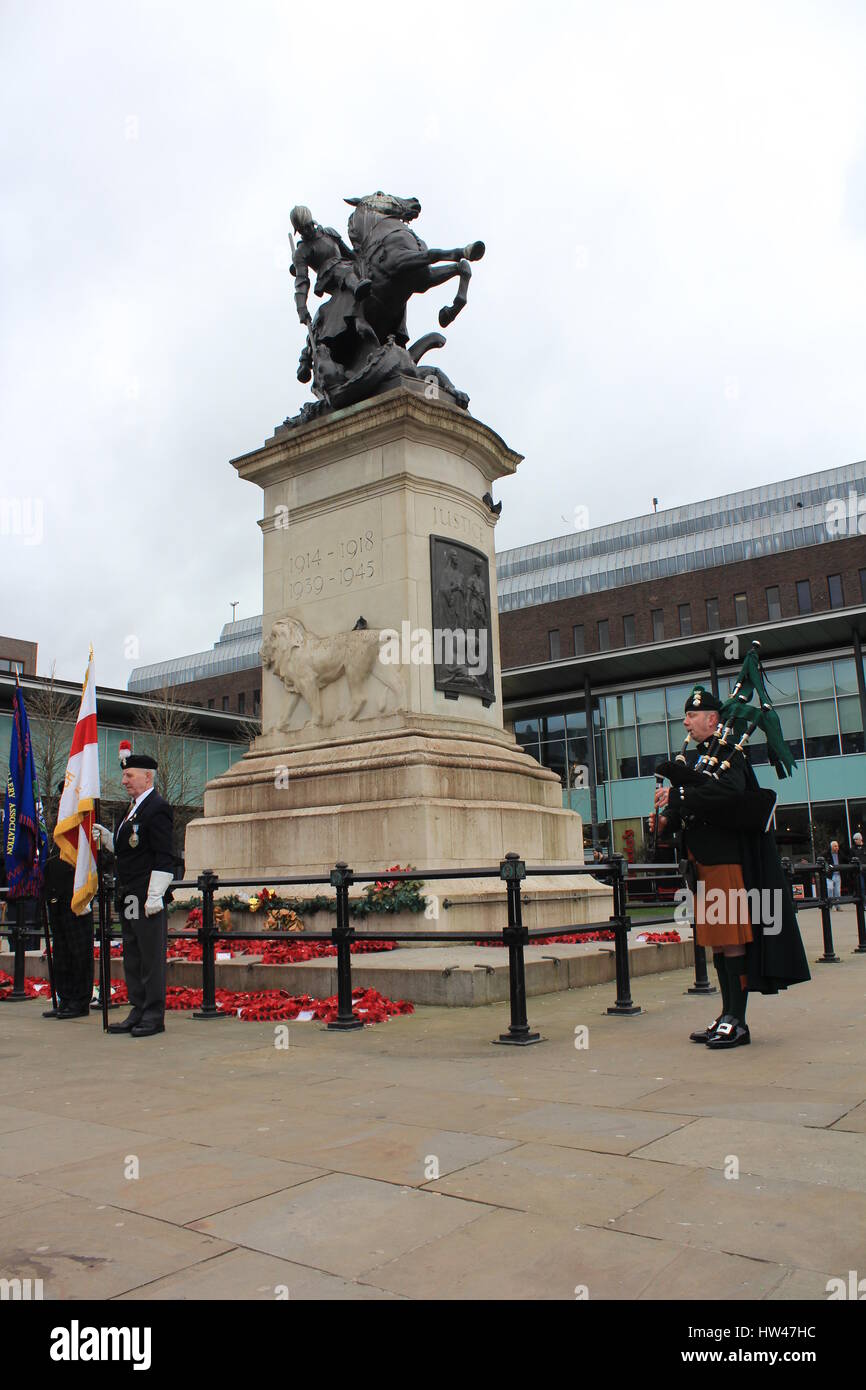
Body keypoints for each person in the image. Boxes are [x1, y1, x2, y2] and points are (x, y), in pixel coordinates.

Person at [652, 684, 810, 1050]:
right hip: (703, 861)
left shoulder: (731, 758)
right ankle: (726, 1015)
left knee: (732, 939)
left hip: (724, 859)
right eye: (686, 716)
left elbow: (726, 795)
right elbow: (695, 806)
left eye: (692, 716)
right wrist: (667, 821)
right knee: (719, 943)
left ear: (712, 719)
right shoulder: (701, 759)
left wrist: (679, 794)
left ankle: (737, 1021)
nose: (686, 722)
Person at [94, 742, 174, 1037]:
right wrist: (110, 841)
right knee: (133, 954)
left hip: (145, 894)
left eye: (130, 776)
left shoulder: (158, 808)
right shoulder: (132, 810)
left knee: (150, 955)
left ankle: (153, 1014)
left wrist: (156, 894)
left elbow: (165, 854)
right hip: (128, 893)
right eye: (125, 775)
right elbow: (132, 850)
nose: (124, 780)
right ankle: (138, 1009)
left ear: (147, 777)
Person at [42, 785, 94, 1019]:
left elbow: (94, 858)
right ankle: (65, 998)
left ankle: (79, 1000)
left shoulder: (85, 823)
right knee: (61, 951)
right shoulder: (63, 823)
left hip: (76, 895)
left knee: (78, 950)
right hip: (57, 894)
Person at [826, 840, 843, 910]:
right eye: (835, 846)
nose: (837, 848)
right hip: (830, 875)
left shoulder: (840, 854)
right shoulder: (827, 854)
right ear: (832, 847)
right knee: (830, 890)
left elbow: (845, 860)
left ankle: (837, 905)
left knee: (838, 891)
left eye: (837, 846)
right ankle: (830, 904)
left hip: (838, 875)